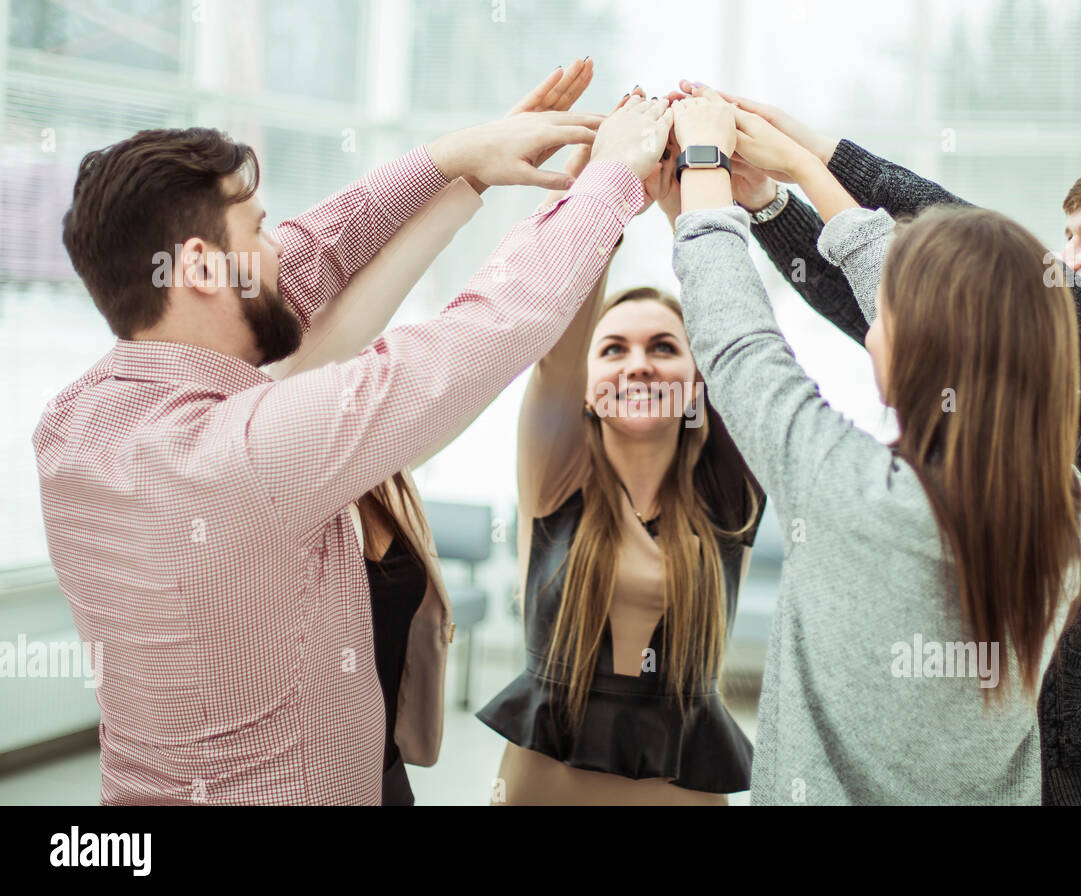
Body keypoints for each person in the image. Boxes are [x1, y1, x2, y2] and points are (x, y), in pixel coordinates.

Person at [35, 73, 673, 804]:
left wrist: (457, 158)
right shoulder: (245, 453)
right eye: (260, 231)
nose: (282, 248)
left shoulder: (69, 425)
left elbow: (308, 260)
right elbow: (485, 331)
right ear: (203, 268)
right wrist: (612, 181)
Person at [688, 80, 1081, 806]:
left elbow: (985, 271)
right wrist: (770, 202)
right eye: (1067, 236)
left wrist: (818, 159)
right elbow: (915, 313)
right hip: (987, 771)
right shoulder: (1057, 382)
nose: (1065, 259)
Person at [666, 88, 1081, 804]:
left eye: (886, 316)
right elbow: (960, 326)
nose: (870, 327)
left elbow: (738, 344)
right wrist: (790, 182)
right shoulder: (1066, 507)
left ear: (919, 351)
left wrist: (705, 165)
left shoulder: (851, 493)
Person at [269, 62, 598, 807]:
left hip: (382, 781)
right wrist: (573, 203)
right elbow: (487, 329)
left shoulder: (380, 464)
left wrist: (477, 175)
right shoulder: (269, 446)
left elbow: (387, 319)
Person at [476, 94, 766, 805]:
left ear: (698, 377)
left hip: (682, 783)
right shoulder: (556, 476)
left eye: (664, 348)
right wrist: (607, 199)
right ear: (589, 382)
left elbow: (741, 342)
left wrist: (686, 207)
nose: (637, 363)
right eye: (615, 349)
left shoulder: (728, 496)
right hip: (545, 783)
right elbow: (556, 355)